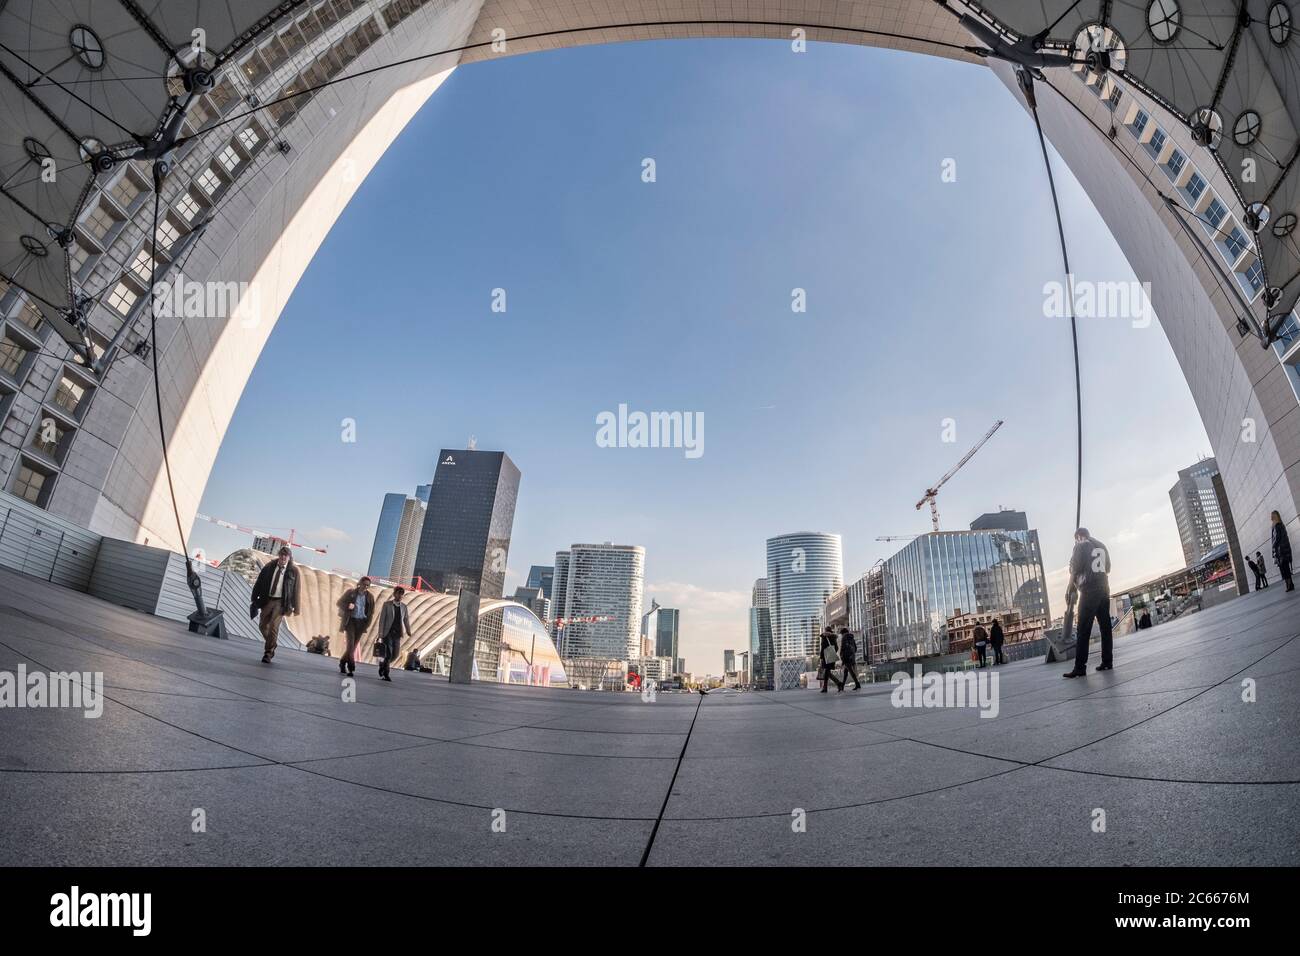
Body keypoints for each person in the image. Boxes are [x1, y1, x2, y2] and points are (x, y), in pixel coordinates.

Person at [1064, 527, 1113, 678]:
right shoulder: (1101, 545)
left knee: (1083, 630)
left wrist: (1069, 587)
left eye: (1076, 539)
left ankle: (1080, 667)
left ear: (1078, 537)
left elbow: (1075, 569)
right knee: (1105, 627)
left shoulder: (1080, 545)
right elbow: (1108, 568)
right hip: (1104, 588)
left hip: (1089, 589)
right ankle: (1107, 661)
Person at [250, 546, 299, 664]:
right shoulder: (269, 566)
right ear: (279, 555)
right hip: (268, 599)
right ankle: (272, 644)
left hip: (281, 602)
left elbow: (296, 590)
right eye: (281, 555)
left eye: (285, 555)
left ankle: (268, 653)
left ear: (289, 557)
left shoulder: (293, 571)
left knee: (274, 626)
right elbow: (259, 582)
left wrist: (295, 607)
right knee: (262, 625)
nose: (283, 557)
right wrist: (254, 598)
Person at [338, 576, 374, 676]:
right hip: (351, 622)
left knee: (352, 647)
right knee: (350, 645)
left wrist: (367, 624)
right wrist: (348, 606)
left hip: (361, 623)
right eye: (364, 584)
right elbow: (339, 602)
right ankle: (351, 667)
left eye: (368, 585)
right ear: (360, 583)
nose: (365, 587)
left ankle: (342, 662)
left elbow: (371, 612)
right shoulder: (351, 593)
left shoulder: (370, 597)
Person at [376, 586, 413, 681]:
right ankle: (386, 674)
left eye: (402, 594)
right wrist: (380, 633)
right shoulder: (387, 604)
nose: (400, 595)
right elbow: (382, 620)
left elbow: (406, 620)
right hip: (388, 633)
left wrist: (408, 631)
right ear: (394, 594)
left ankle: (382, 664)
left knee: (395, 654)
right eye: (398, 593)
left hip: (398, 634)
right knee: (388, 653)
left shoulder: (404, 607)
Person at [1272, 511, 1294, 592]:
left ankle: (1289, 585)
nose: (1270, 518)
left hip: (1281, 551)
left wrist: (1273, 546)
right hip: (1283, 551)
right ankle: (1290, 584)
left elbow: (1277, 539)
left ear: (1274, 517)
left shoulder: (1277, 526)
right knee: (1286, 569)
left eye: (1272, 516)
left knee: (1284, 569)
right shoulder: (1280, 525)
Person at [818, 627, 844, 693]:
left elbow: (823, 648)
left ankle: (835, 684)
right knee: (827, 672)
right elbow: (837, 648)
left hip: (825, 657)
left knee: (826, 672)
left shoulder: (825, 637)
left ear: (826, 631)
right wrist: (832, 652)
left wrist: (821, 657)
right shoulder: (833, 638)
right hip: (831, 657)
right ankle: (835, 684)